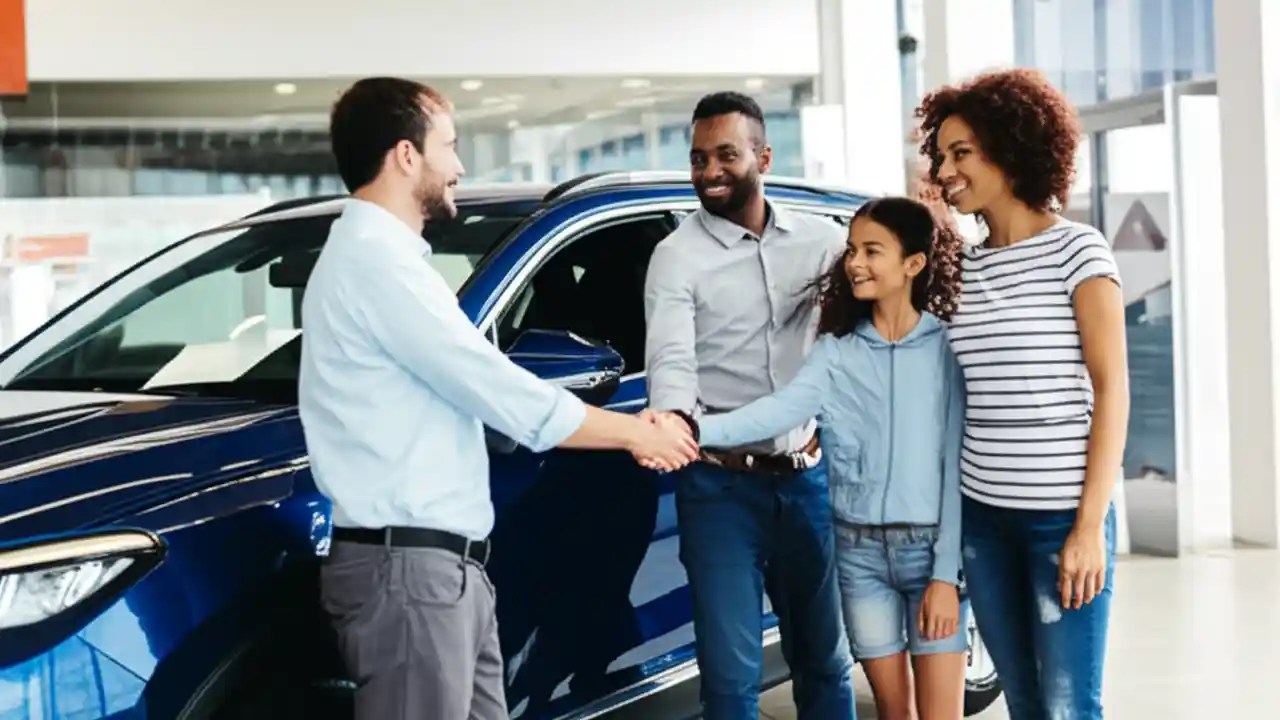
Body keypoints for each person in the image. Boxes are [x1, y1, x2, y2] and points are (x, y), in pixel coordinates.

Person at [297, 76, 698, 720]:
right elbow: (497, 387)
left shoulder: (381, 260)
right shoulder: (377, 265)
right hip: (410, 575)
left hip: (442, 573)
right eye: (449, 147)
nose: (457, 166)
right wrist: (636, 433)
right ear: (406, 155)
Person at [688, 197, 969, 720]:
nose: (855, 263)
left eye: (872, 251)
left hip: (931, 551)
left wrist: (946, 577)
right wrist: (691, 428)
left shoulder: (946, 349)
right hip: (860, 557)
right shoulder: (836, 352)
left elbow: (956, 467)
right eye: (852, 251)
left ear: (913, 264)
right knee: (892, 713)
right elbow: (774, 413)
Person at [915, 68, 1130, 719]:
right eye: (940, 155)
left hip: (1060, 518)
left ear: (1011, 147)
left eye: (962, 153)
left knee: (1069, 707)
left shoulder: (1078, 251)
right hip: (984, 520)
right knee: (1026, 705)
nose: (946, 170)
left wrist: (1089, 526)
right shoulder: (965, 269)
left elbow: (1113, 389)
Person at [643, 91, 856, 720]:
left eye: (726, 155)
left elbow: (870, 331)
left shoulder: (823, 244)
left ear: (762, 156)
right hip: (719, 491)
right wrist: (672, 422)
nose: (709, 171)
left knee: (824, 662)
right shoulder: (676, 257)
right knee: (731, 682)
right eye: (699, 157)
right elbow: (672, 363)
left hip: (807, 481)